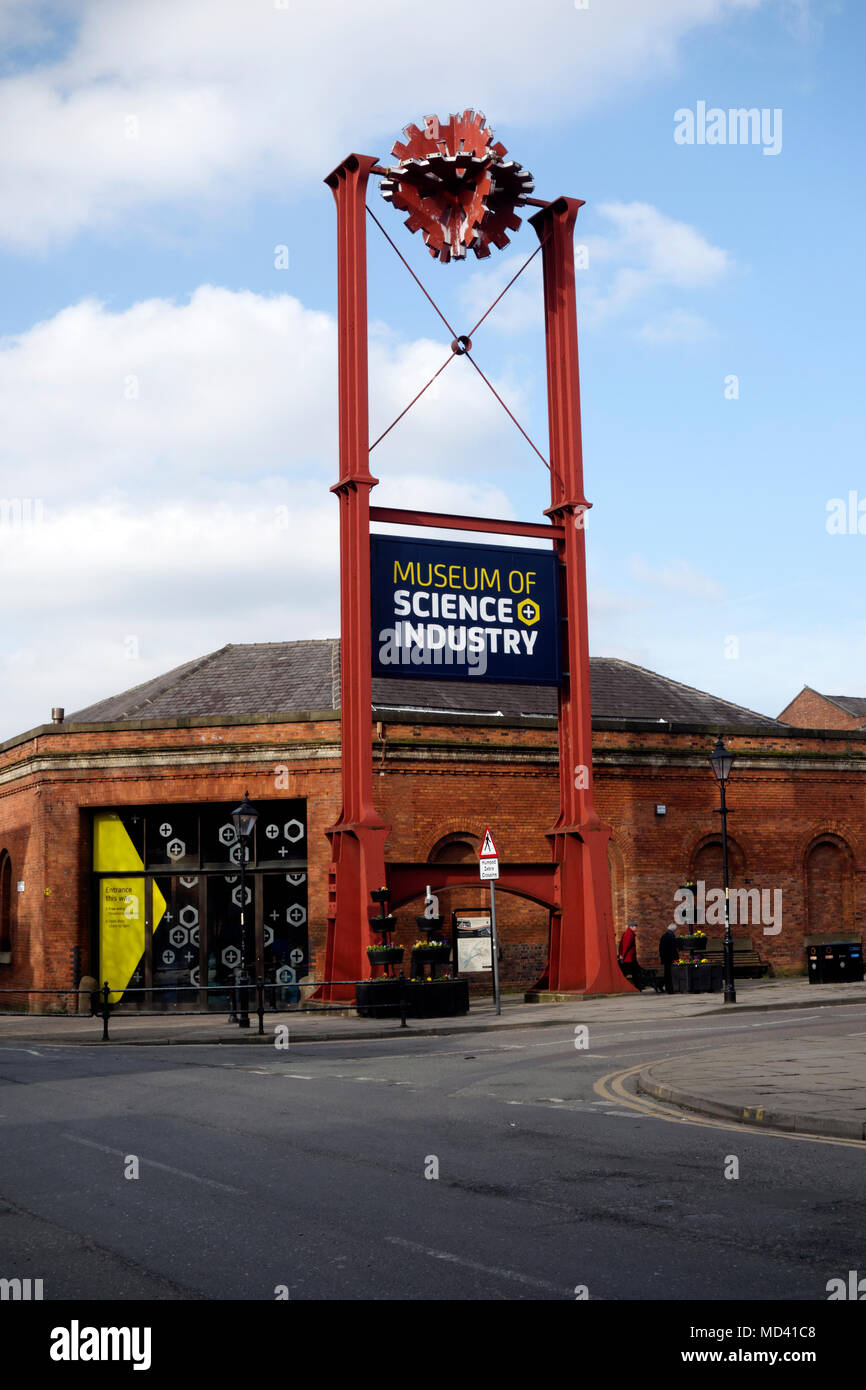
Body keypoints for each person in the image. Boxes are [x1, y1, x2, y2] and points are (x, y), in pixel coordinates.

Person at [658, 924, 678, 994]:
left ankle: (663, 986)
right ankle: (669, 988)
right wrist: (676, 957)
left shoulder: (664, 936)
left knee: (667, 973)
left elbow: (660, 948)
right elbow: (673, 948)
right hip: (670, 958)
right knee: (669, 974)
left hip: (665, 957)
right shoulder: (671, 936)